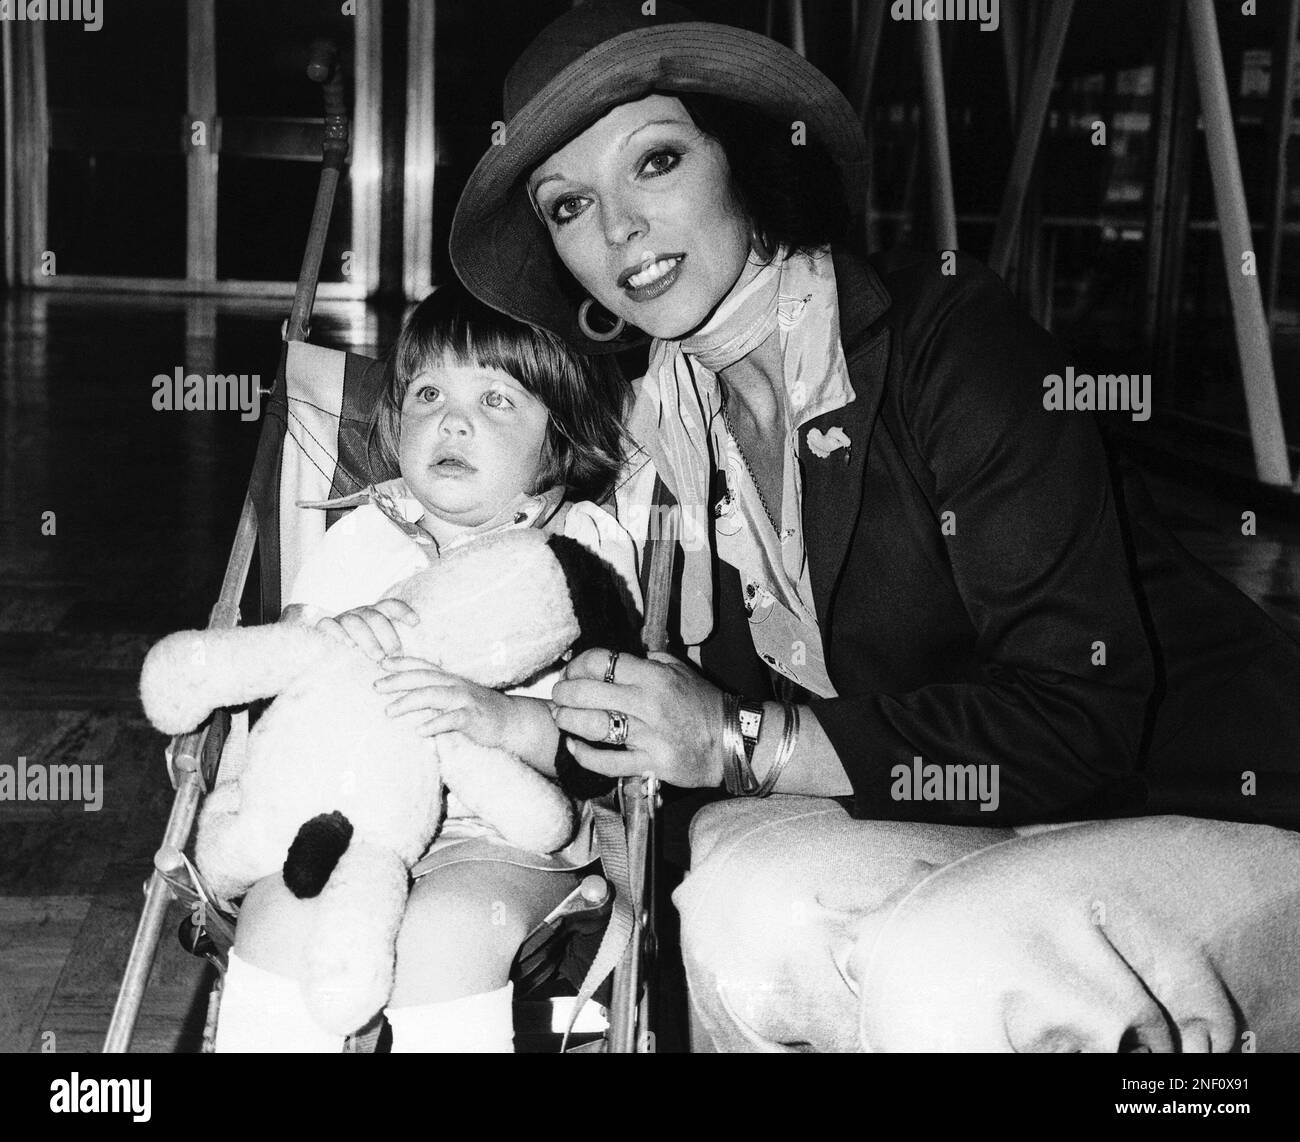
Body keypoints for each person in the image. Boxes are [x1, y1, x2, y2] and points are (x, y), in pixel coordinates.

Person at [449, 0, 1300, 1051]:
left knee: (943, 963)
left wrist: (737, 737)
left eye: (654, 162)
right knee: (727, 897)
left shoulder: (952, 343)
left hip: (1208, 813)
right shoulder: (668, 438)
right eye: (569, 204)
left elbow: (1079, 723)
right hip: (999, 833)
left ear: (746, 161)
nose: (617, 227)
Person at [213, 281, 640, 1052]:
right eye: (429, 392)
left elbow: (615, 734)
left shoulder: (582, 551)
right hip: (347, 817)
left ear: (560, 441)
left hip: (508, 835)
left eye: (497, 401)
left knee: (443, 940)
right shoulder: (358, 537)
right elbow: (281, 695)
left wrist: (500, 717)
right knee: (278, 920)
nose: (452, 419)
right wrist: (339, 643)